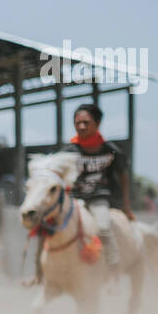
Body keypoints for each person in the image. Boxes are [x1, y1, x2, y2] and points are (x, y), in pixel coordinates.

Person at [34, 103, 134, 279]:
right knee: (45, 226)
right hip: (72, 199)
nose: (81, 126)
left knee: (103, 226)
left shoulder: (111, 150)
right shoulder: (68, 151)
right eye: (77, 122)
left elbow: (124, 177)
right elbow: (54, 176)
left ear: (97, 123)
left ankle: (113, 271)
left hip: (98, 198)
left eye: (86, 122)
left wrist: (126, 207)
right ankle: (39, 272)